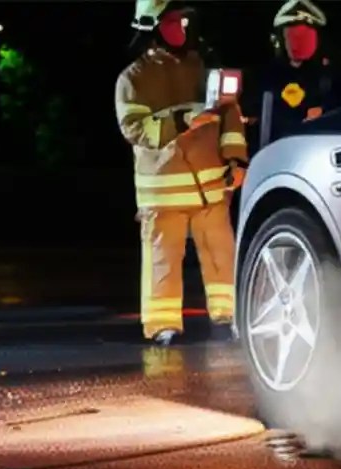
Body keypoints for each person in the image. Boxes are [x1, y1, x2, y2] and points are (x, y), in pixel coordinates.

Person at [114, 0, 248, 346]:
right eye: (171, 21)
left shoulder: (204, 68)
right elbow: (135, 128)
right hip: (163, 191)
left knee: (221, 253)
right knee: (163, 259)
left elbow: (230, 116)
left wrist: (236, 159)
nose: (180, 28)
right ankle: (162, 325)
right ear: (151, 25)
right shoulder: (134, 77)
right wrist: (183, 119)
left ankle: (229, 316)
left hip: (210, 185)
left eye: (182, 21)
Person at [245, 0, 336, 150]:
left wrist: (323, 111)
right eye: (293, 35)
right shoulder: (263, 76)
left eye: (306, 35)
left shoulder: (326, 77)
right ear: (281, 40)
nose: (299, 41)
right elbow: (250, 113)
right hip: (268, 151)